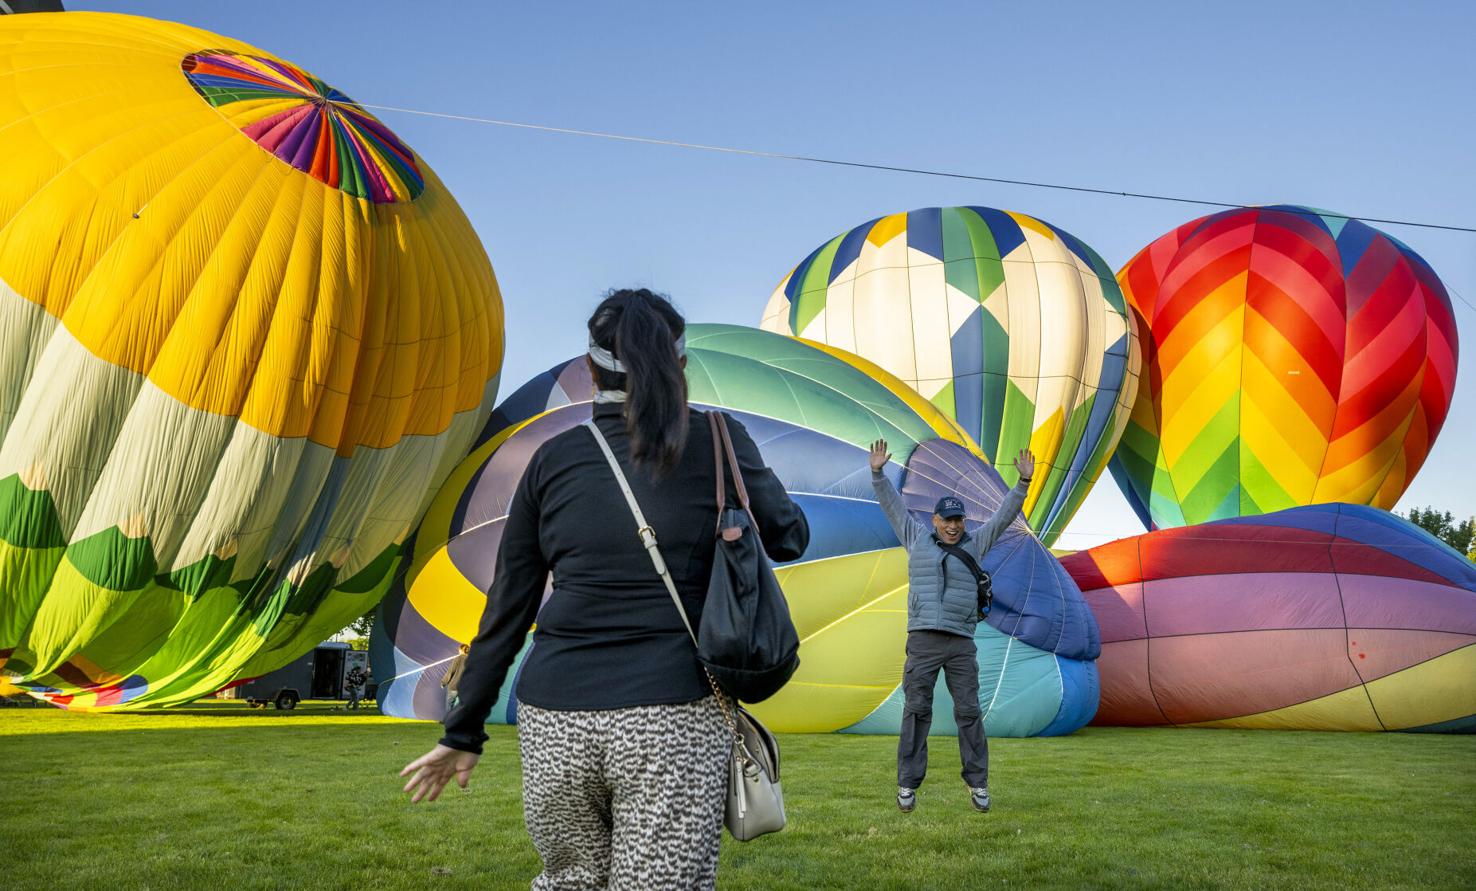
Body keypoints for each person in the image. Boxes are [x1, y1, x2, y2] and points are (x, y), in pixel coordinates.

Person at [399, 288, 809, 890]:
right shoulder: (721, 440)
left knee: (569, 881)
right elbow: (789, 537)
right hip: (673, 714)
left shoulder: (552, 460)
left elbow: (507, 610)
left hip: (555, 720)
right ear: (681, 368)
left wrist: (464, 731)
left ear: (588, 369)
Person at [868, 438, 1034, 814]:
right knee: (916, 709)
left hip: (960, 643)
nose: (955, 526)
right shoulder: (915, 538)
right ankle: (907, 784)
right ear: (935, 521)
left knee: (969, 711)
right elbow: (892, 507)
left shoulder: (975, 545)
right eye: (948, 520)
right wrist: (877, 473)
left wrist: (1022, 485)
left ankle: (978, 783)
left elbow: (1003, 518)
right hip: (924, 639)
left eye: (959, 520)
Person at [441, 643, 470, 711]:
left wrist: (443, 682)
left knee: (449, 704)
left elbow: (451, 671)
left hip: (454, 686)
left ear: (461, 650)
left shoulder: (458, 659)